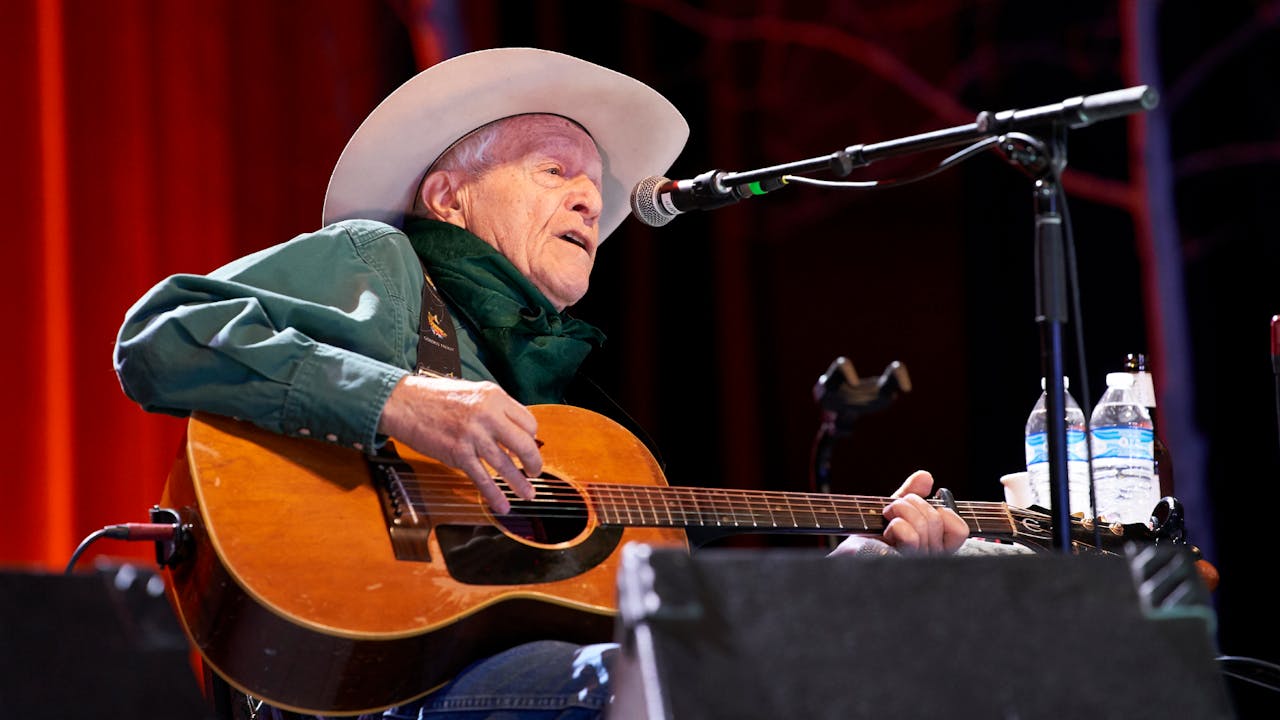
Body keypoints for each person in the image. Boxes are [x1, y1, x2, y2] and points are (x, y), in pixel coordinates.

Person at [114, 47, 970, 720]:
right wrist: (397, 400)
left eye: (594, 186)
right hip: (372, 686)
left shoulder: (576, 415)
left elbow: (678, 603)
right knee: (671, 678)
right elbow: (158, 336)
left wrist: (855, 572)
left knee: (719, 670)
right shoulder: (383, 263)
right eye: (554, 172)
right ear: (448, 197)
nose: (590, 201)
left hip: (531, 681)